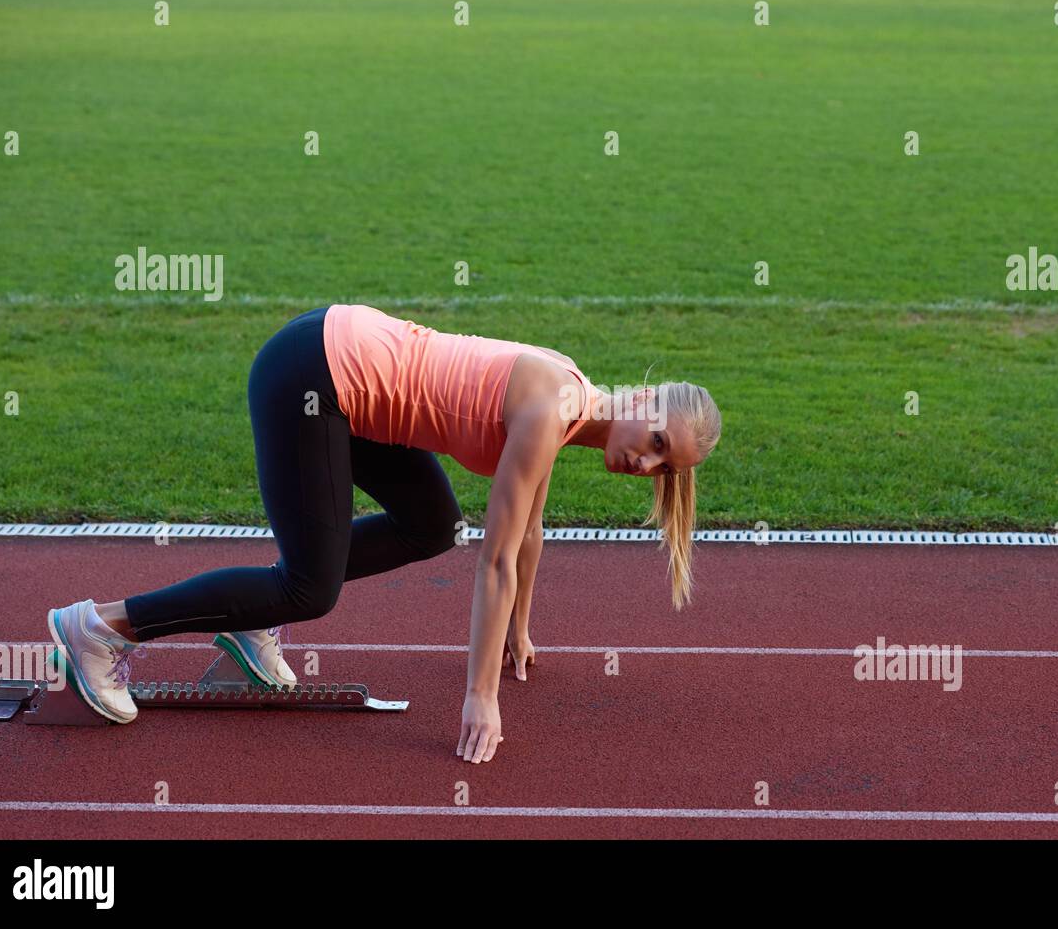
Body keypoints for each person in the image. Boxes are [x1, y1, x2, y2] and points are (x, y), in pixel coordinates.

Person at [45, 304, 721, 762]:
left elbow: (529, 528)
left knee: (431, 524)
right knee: (309, 588)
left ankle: (250, 619)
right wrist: (479, 694)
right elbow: (496, 560)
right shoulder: (553, 408)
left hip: (349, 383)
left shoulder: (571, 400)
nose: (647, 462)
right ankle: (101, 627)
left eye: (665, 465)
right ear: (641, 396)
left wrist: (518, 629)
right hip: (311, 376)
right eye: (656, 439)